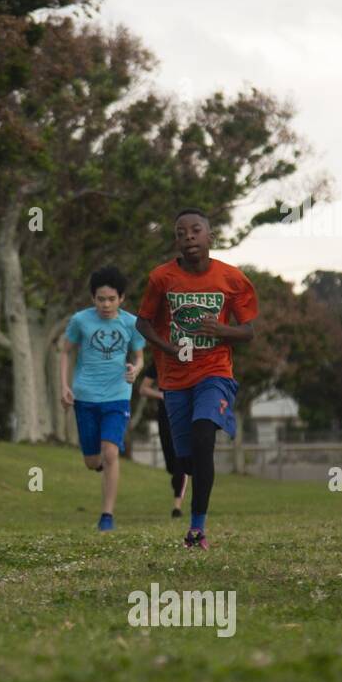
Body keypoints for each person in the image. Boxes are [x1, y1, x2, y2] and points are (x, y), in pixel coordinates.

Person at [136, 209, 258, 549]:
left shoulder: (232, 278)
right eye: (181, 232)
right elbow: (143, 323)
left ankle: (196, 529)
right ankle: (190, 473)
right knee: (185, 460)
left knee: (205, 437)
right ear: (177, 240)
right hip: (175, 379)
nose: (188, 236)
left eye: (195, 230)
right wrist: (167, 348)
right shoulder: (161, 278)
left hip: (214, 372)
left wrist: (222, 330)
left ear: (209, 237)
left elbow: (248, 331)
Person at [58, 266, 145, 532]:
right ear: (93, 298)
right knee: (92, 461)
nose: (105, 305)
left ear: (121, 298)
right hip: (85, 396)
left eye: (111, 299)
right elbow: (65, 351)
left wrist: (135, 370)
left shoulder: (131, 323)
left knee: (110, 453)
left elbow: (140, 357)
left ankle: (107, 515)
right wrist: (64, 386)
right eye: (100, 299)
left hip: (117, 396)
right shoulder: (80, 321)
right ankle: (101, 466)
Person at [138, 360, 189, 518]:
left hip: (185, 411)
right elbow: (143, 389)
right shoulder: (160, 360)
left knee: (181, 458)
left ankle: (177, 506)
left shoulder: (191, 360)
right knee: (171, 463)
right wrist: (161, 394)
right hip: (165, 413)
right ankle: (177, 478)